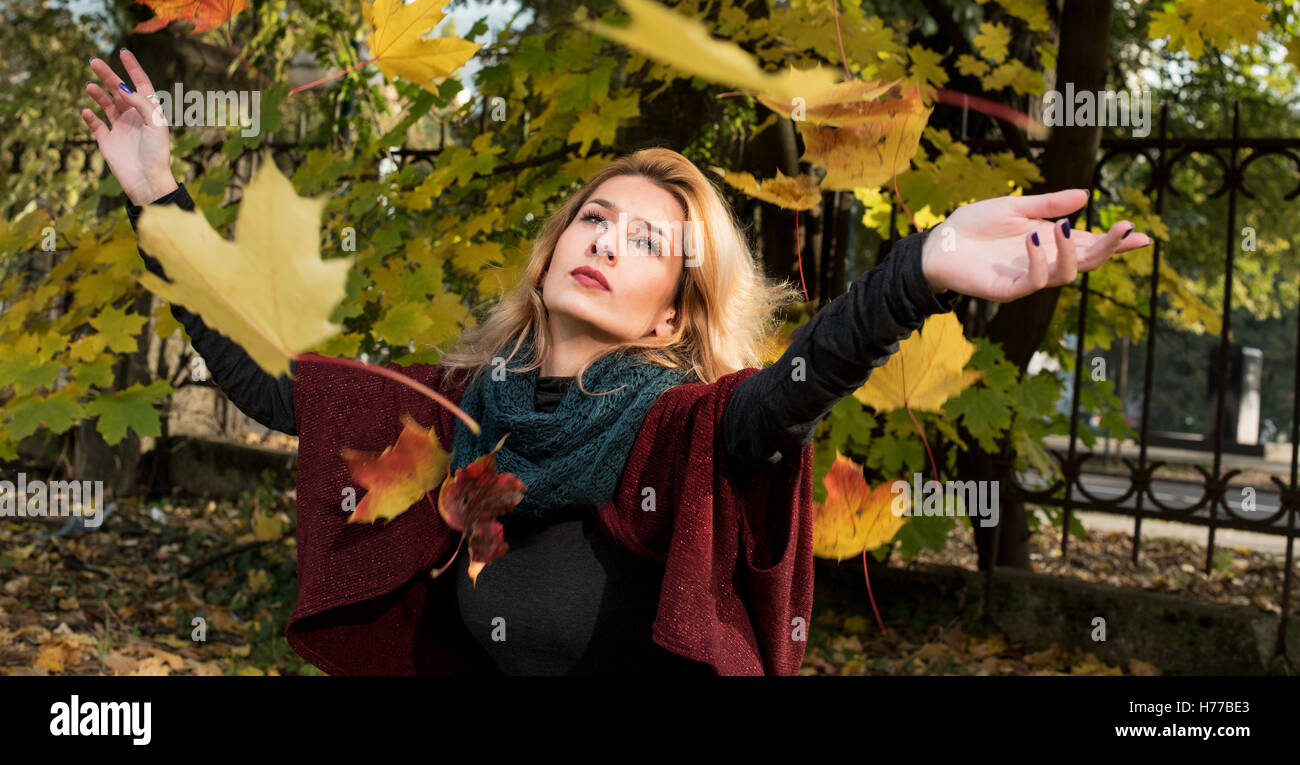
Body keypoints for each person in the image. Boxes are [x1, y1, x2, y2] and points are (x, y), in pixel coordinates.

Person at [82, 49, 1153, 675]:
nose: (605, 241)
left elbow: (795, 387)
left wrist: (918, 269)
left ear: (668, 312)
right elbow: (276, 391)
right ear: (553, 247)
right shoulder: (457, 412)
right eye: (595, 219)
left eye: (647, 242)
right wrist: (159, 200)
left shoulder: (685, 433)